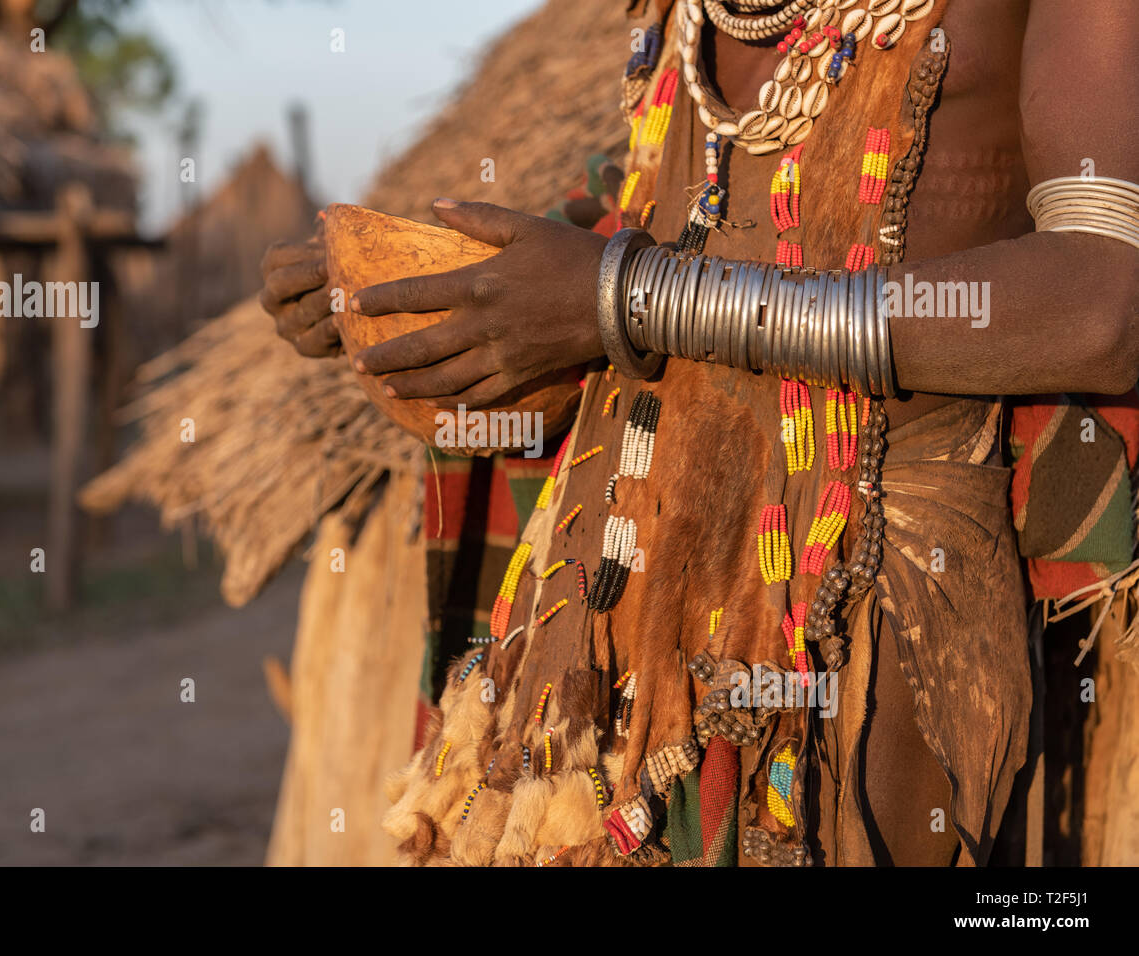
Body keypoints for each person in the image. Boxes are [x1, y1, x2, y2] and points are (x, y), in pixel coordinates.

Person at [261, 0, 1138, 866]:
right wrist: (405, 320)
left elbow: (1105, 303)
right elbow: (608, 342)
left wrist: (628, 297)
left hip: (854, 596)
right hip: (602, 612)